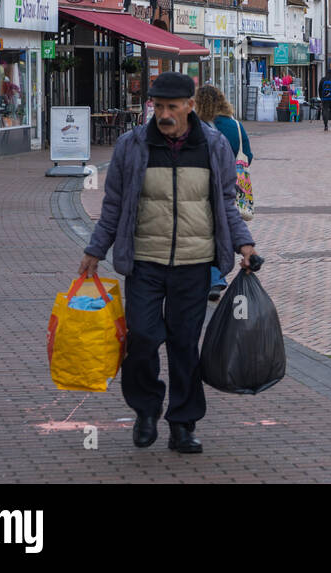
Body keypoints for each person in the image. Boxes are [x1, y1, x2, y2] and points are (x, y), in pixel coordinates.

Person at [79, 72, 256, 455]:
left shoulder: (213, 146)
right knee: (141, 338)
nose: (164, 114)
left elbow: (227, 202)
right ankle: (145, 409)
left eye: (172, 107)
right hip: (145, 260)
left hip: (195, 263)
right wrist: (95, 250)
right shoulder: (132, 145)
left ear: (190, 106)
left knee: (184, 345)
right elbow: (113, 206)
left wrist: (244, 244)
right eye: (158, 107)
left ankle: (183, 423)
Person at [195, 84, 253, 301]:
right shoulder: (235, 125)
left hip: (205, 185)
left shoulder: (200, 127)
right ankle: (217, 275)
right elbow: (248, 154)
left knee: (208, 230)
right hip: (232, 186)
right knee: (227, 225)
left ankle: (214, 276)